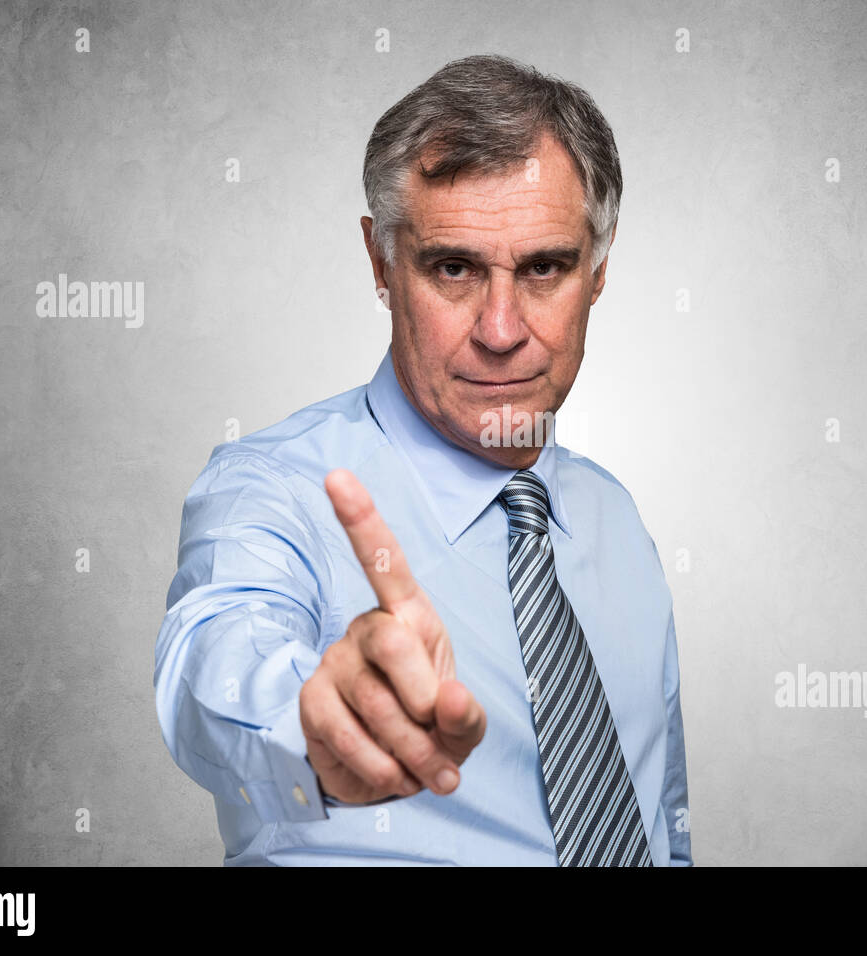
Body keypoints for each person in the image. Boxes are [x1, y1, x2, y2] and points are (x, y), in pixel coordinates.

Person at [154, 53, 692, 866]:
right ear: (380, 262)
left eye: (545, 268)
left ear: (600, 270)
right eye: (454, 268)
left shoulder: (616, 521)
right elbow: (215, 661)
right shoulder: (274, 491)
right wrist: (316, 720)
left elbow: (661, 820)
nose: (502, 329)